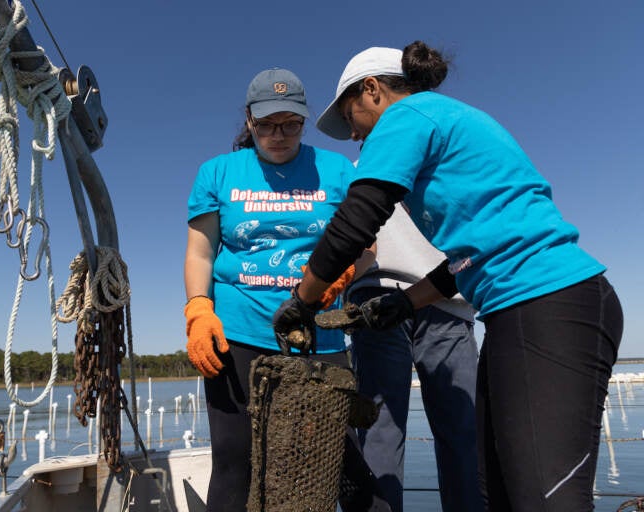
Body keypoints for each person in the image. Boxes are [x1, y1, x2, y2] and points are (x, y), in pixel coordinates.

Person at [272, 42, 623, 512]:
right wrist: (405, 302)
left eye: (350, 117)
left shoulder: (407, 116)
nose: (354, 135)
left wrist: (304, 300)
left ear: (372, 90)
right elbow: (471, 257)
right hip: (516, 311)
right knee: (492, 487)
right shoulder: (447, 118)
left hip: (549, 303)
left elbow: (359, 219)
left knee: (545, 500)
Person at [184, 67, 386, 511]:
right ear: (250, 120)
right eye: (267, 124)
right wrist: (199, 309)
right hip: (234, 337)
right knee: (234, 461)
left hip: (319, 336)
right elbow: (200, 253)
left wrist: (344, 273)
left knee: (329, 459)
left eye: (291, 123)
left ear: (304, 120)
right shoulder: (217, 172)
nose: (279, 135)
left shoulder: (336, 169)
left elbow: (367, 245)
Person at [347, 204, 482, 512]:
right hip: (382, 297)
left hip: (442, 298)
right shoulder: (354, 173)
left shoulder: (356, 171)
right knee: (455, 433)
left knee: (458, 433)